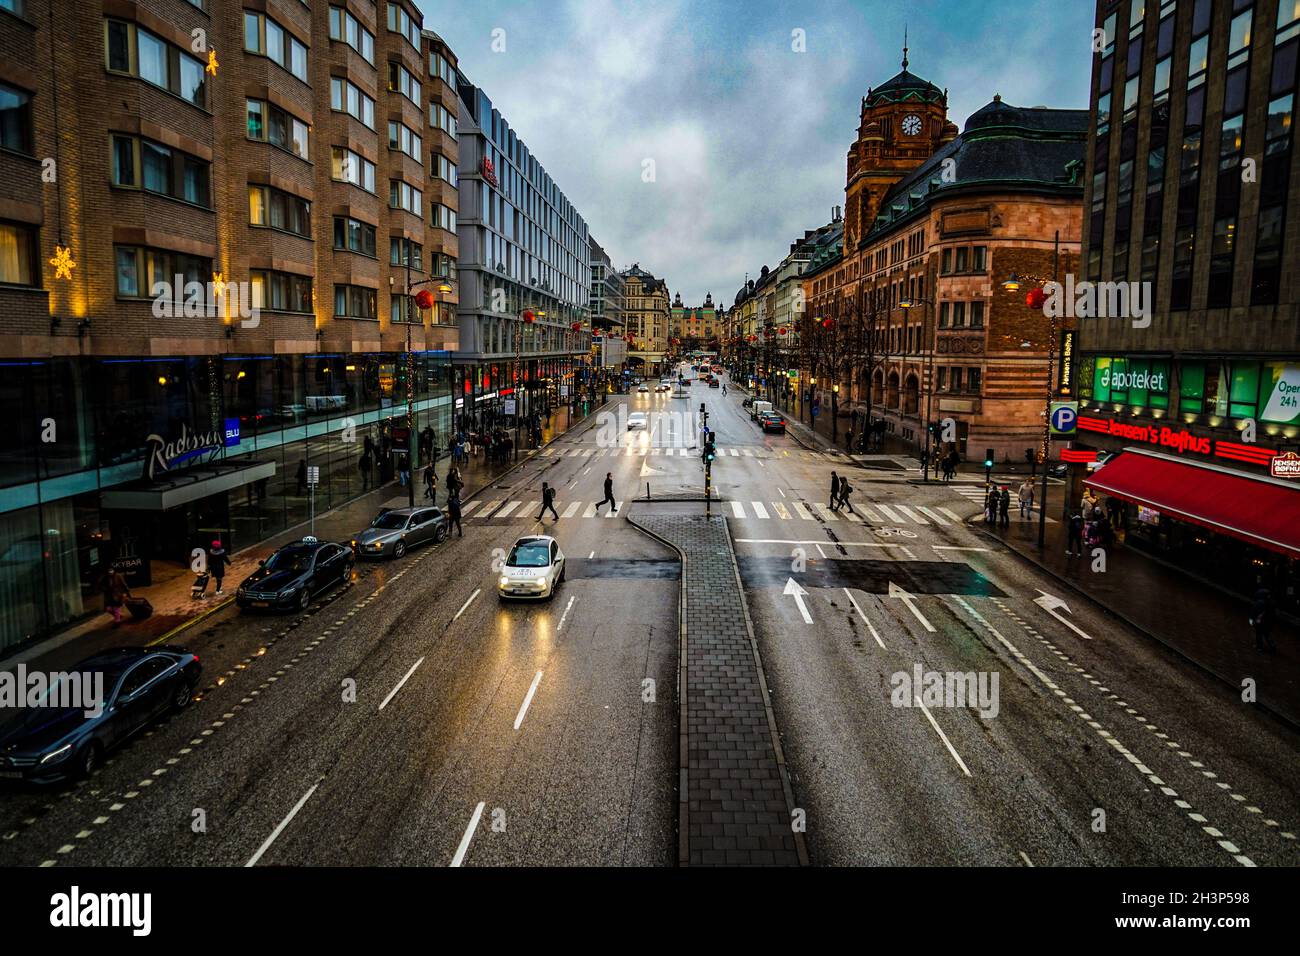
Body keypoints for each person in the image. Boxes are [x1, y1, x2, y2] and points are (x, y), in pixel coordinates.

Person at [1250, 587, 1277, 653]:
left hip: (1261, 621)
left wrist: (1252, 618)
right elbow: (1274, 614)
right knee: (1267, 634)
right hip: (1268, 622)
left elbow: (1254, 612)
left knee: (1259, 634)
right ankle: (1272, 646)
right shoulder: (1272, 602)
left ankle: (1259, 647)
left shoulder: (1259, 602)